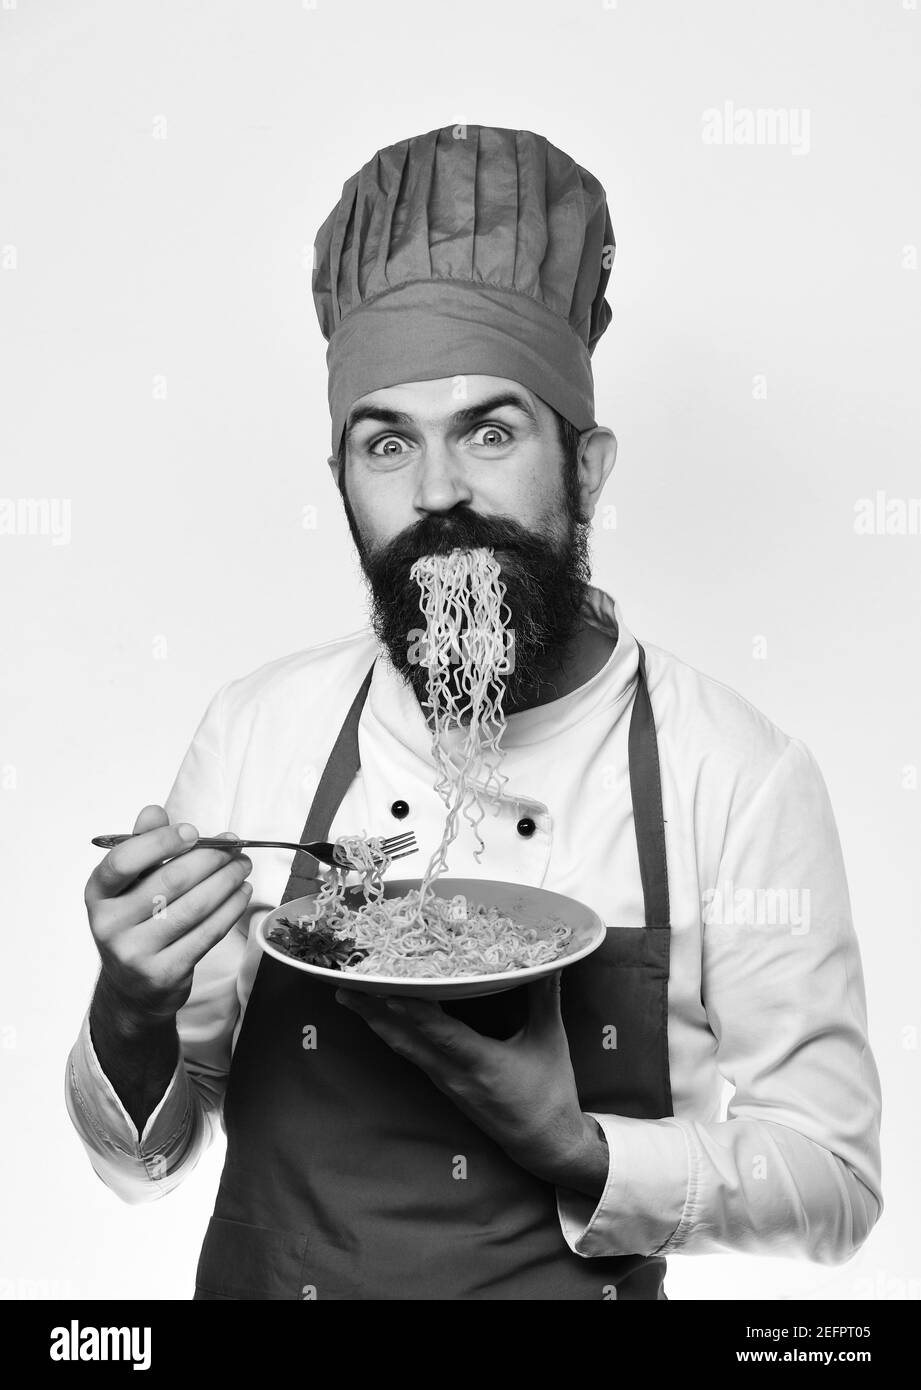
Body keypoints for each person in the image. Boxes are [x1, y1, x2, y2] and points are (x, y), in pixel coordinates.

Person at [66, 124, 883, 1301]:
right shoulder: (261, 727)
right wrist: (132, 1004)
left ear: (589, 466)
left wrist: (578, 1147)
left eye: (490, 433)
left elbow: (836, 1186)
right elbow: (145, 1164)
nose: (439, 492)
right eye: (387, 441)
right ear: (340, 481)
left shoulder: (734, 772)